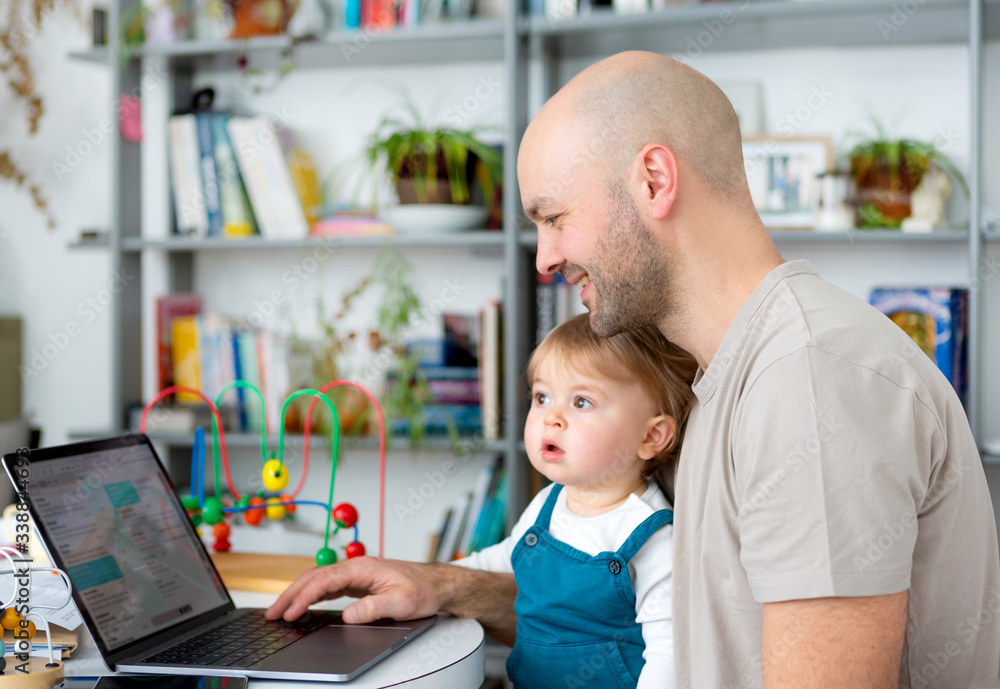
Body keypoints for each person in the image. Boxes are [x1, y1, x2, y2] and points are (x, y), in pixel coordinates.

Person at [268, 51, 1000, 688]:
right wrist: (447, 586)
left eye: (553, 217)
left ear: (653, 180)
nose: (546, 258)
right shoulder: (722, 375)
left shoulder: (808, 379)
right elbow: (641, 626)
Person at [451, 313, 696, 689]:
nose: (552, 418)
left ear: (651, 436)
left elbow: (669, 657)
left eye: (581, 402)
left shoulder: (650, 538)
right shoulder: (549, 503)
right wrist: (438, 583)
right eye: (542, 397)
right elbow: (508, 557)